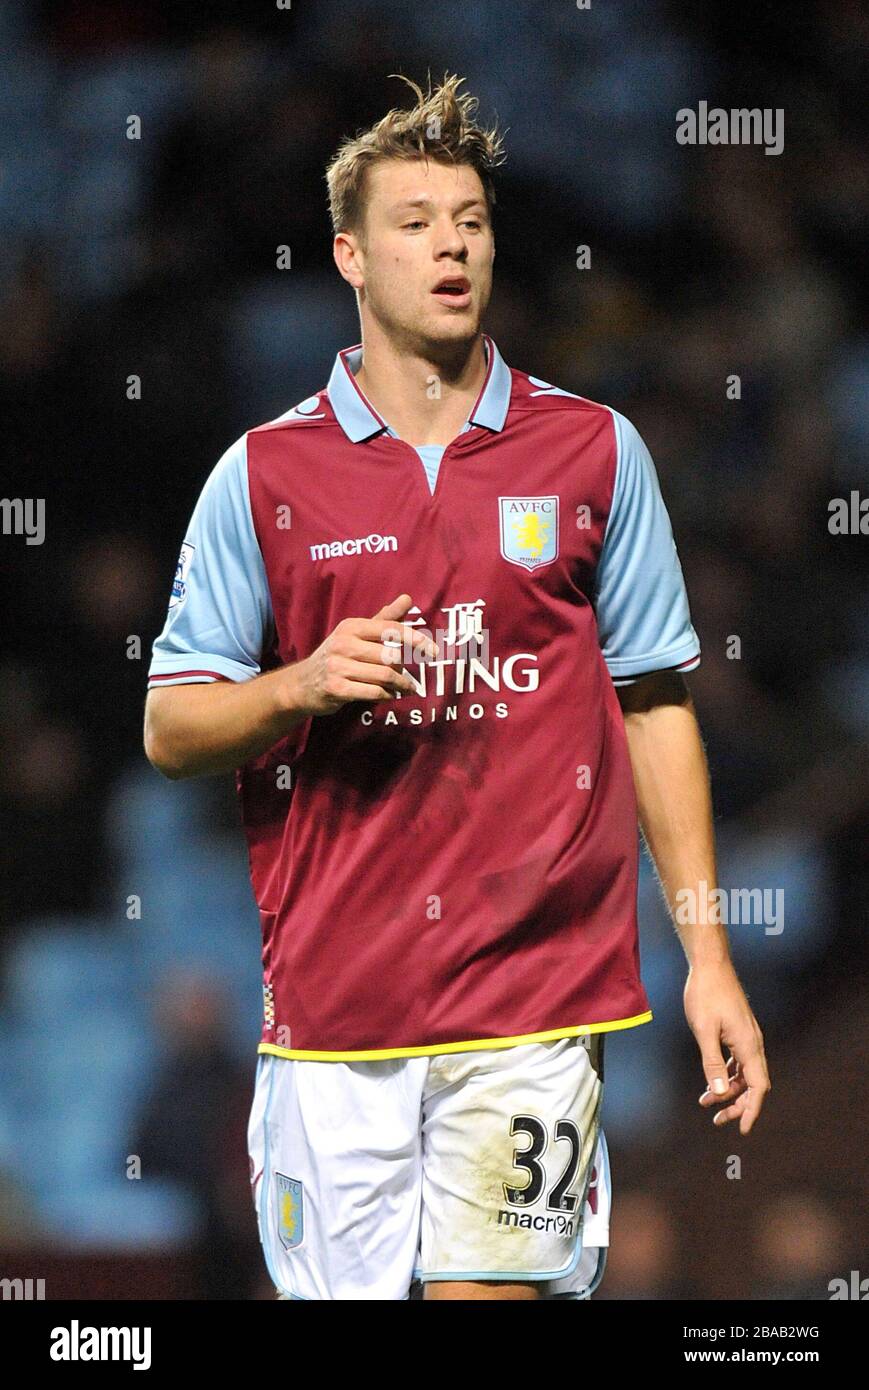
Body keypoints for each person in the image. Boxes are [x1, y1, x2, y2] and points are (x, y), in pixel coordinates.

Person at [144, 72, 770, 1301]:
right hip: (334, 1013)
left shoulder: (591, 450)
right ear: (349, 256)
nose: (451, 246)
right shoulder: (263, 474)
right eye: (416, 222)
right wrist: (299, 685)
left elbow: (652, 704)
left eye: (471, 221)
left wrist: (707, 958)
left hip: (532, 1001)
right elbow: (171, 725)